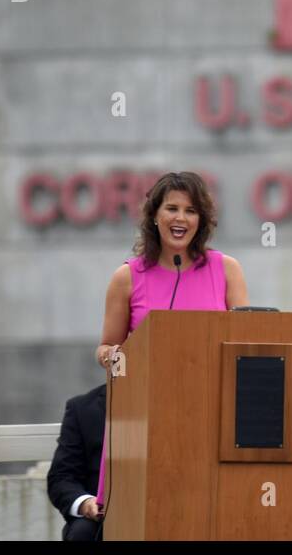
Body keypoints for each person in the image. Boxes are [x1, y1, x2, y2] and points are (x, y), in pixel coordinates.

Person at [92, 171, 249, 513]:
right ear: (154, 217)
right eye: (172, 208)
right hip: (146, 418)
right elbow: (105, 347)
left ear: (202, 220)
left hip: (211, 418)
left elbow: (246, 345)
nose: (181, 218)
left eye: (191, 211)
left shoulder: (227, 270)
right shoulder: (127, 277)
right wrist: (114, 356)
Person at [46, 384, 106, 541]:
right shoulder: (82, 409)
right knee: (82, 532)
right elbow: (62, 478)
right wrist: (86, 503)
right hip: (101, 518)